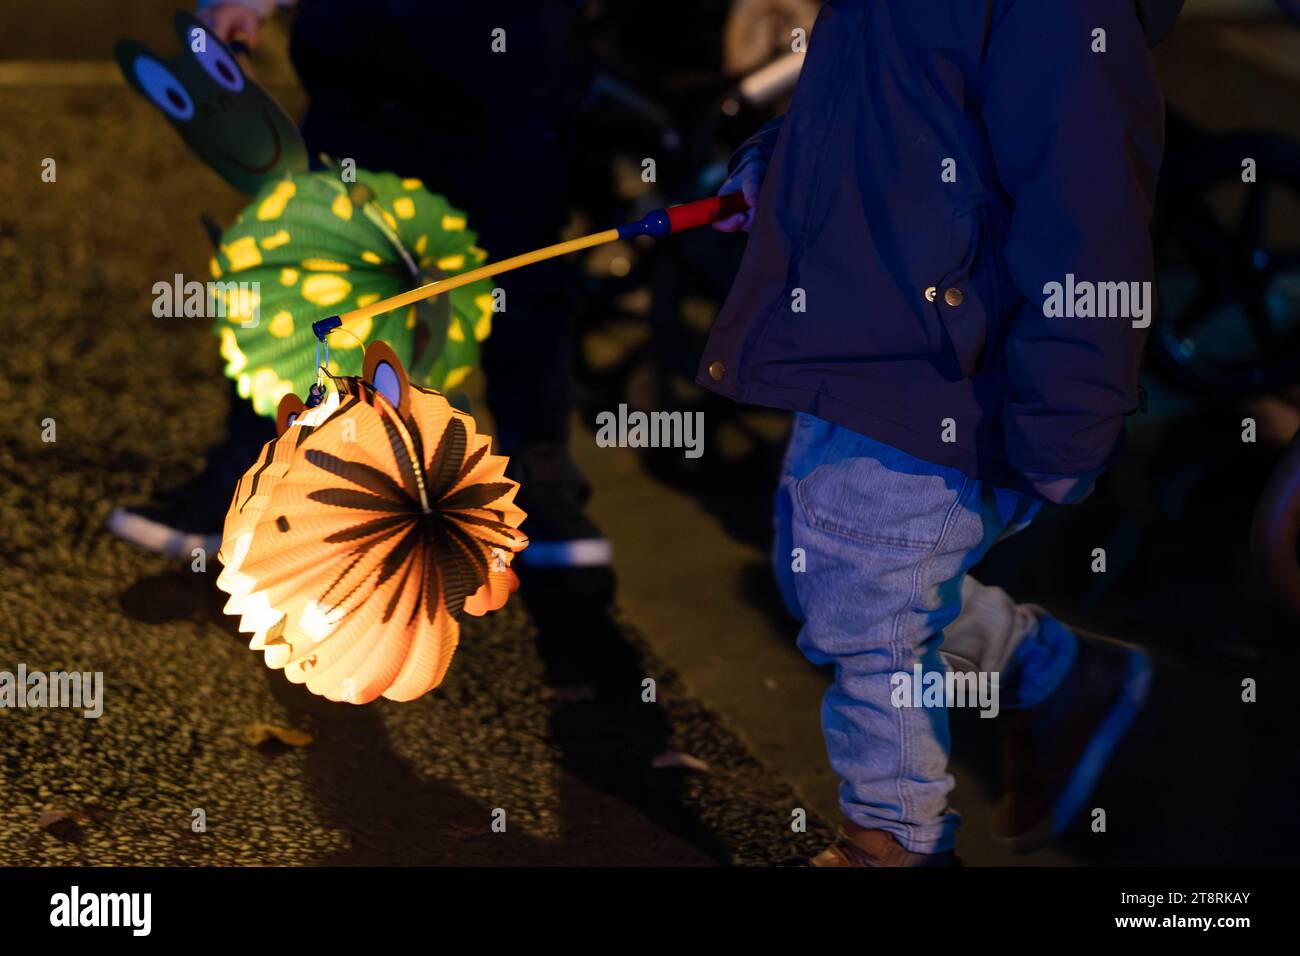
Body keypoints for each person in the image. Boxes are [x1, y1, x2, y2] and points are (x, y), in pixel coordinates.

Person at [707, 0, 1184, 865]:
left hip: (952, 365)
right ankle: (1052, 673)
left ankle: (893, 842)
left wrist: (1070, 409)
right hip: (867, 332)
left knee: (869, 607)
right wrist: (777, 175)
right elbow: (868, 110)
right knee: (823, 567)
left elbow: (1088, 207)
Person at [112, 0, 609, 569]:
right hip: (370, 49)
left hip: (510, 51)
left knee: (519, 262)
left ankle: (539, 479)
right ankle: (255, 475)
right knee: (314, 243)